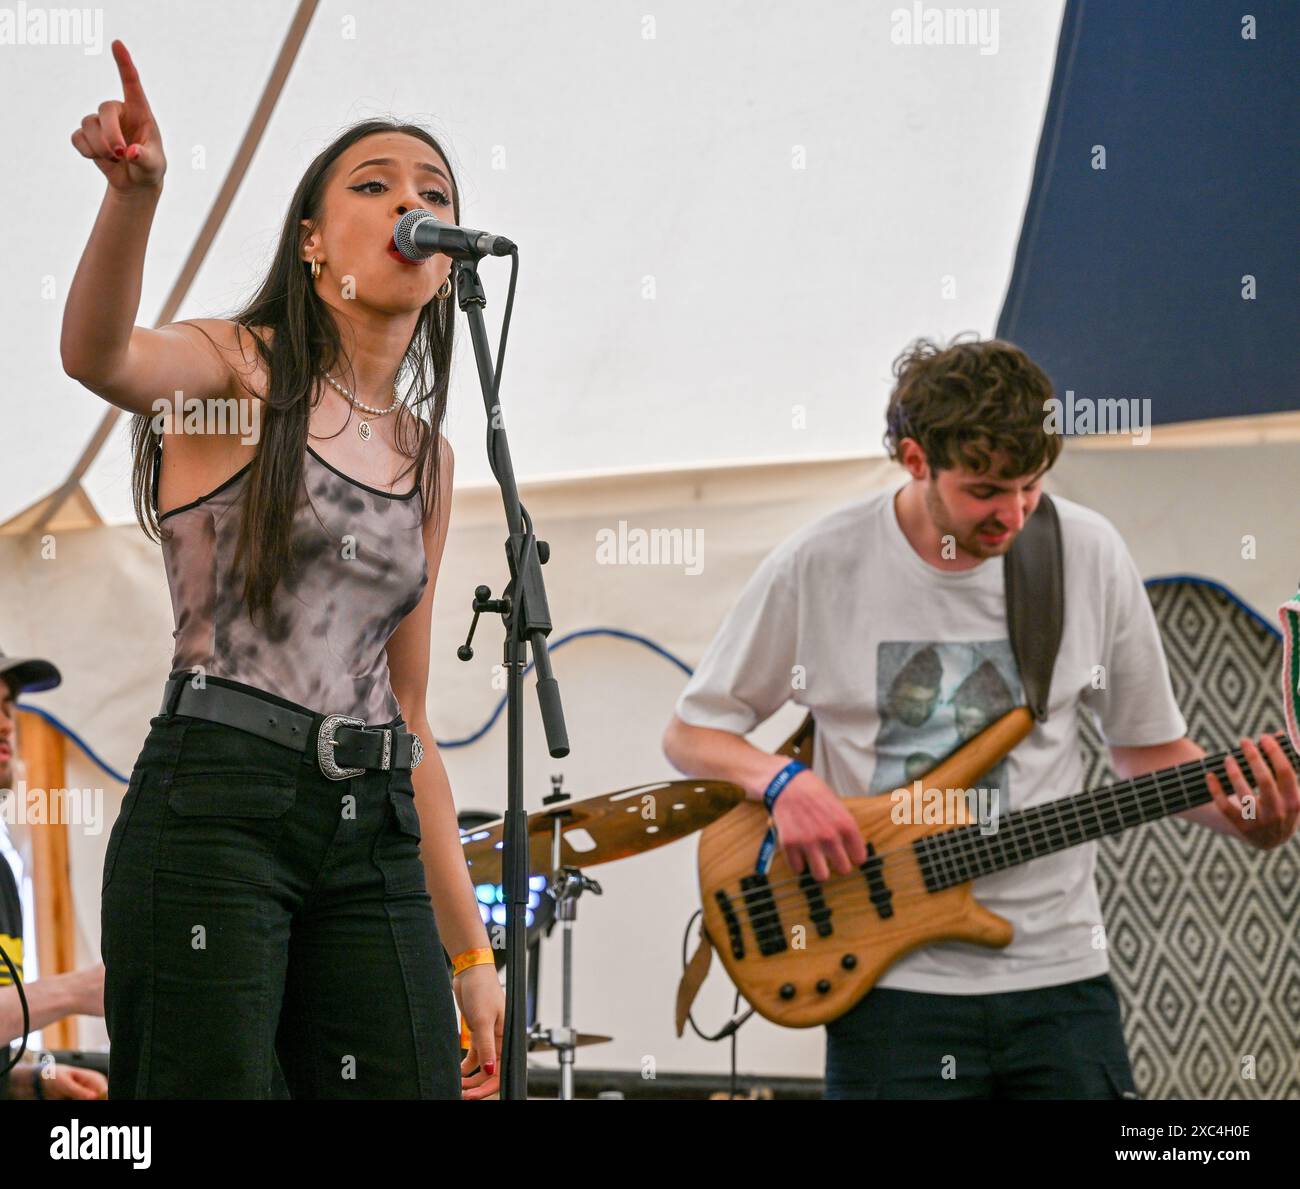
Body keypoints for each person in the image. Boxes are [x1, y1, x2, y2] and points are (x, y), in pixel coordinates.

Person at [662, 336, 1299, 1099]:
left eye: (1031, 485)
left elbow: (1147, 753)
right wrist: (784, 782)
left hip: (1058, 975)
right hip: (890, 984)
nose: (1015, 512)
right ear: (915, 459)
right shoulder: (821, 565)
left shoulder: (1084, 553)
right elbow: (691, 733)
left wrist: (1248, 816)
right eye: (987, 490)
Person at [61, 40, 503, 1099]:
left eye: (434, 191)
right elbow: (100, 355)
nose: (412, 201)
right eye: (376, 183)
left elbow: (411, 712)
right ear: (311, 240)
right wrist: (136, 196)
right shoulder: (237, 367)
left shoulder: (429, 461)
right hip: (219, 799)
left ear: (450, 265)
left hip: (371, 823)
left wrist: (473, 955)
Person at [0, 652, 108, 1100]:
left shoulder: (3, 874)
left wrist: (36, 1082)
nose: (6, 723)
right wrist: (78, 990)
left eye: (8, 705)